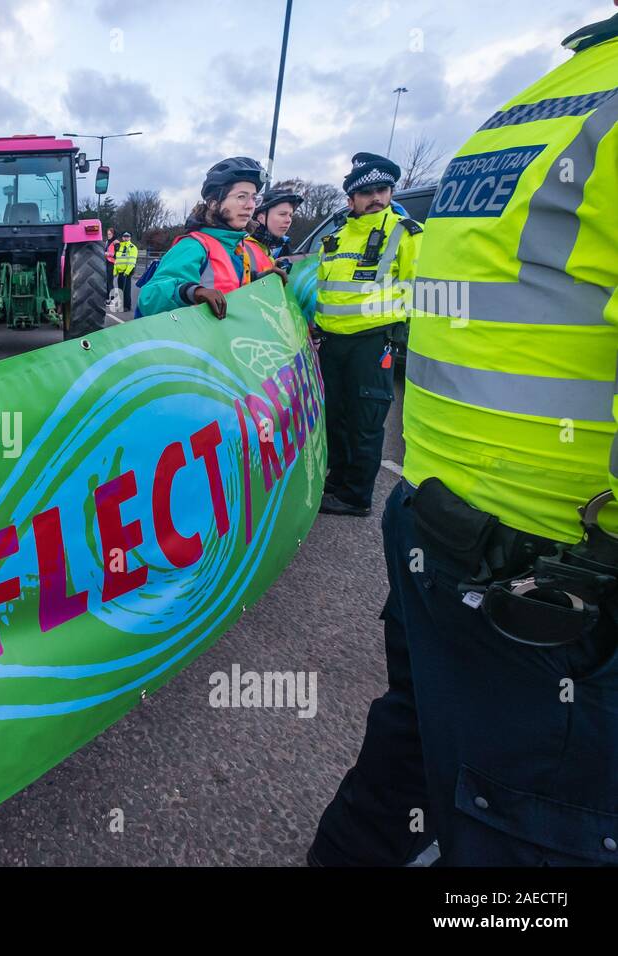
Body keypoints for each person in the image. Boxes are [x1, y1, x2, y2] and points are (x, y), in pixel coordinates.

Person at [310, 10, 618, 868]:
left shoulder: (536, 107)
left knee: (416, 750)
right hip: (560, 572)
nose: (365, 198)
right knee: (531, 833)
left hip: (443, 524)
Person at [314, 151, 423, 518]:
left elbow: (420, 289)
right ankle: (338, 482)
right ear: (351, 201)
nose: (376, 197)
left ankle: (356, 495)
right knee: (337, 418)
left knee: (365, 420)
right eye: (367, 192)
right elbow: (326, 291)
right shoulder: (336, 238)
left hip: (374, 342)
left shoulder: (406, 234)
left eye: (383, 189)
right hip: (333, 342)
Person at [137, 156, 277, 320]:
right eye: (241, 196)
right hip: (194, 342)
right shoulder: (194, 246)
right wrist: (193, 292)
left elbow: (227, 285)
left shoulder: (238, 248)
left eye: (254, 197)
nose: (250, 205)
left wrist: (259, 279)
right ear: (213, 203)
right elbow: (149, 298)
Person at [250, 189, 303, 263]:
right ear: (261, 218)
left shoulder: (284, 246)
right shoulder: (242, 247)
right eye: (282, 214)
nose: (288, 220)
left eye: (290, 215)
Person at [112, 231, 139, 314]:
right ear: (122, 237)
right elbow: (117, 260)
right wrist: (115, 271)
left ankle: (127, 306)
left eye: (128, 236)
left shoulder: (132, 247)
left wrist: (127, 272)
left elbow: (132, 261)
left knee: (126, 290)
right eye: (124, 236)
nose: (126, 238)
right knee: (120, 289)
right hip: (120, 272)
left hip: (126, 272)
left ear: (130, 238)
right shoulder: (120, 247)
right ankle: (121, 305)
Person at [104, 227, 117, 296]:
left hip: (112, 263)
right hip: (106, 262)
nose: (108, 236)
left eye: (110, 234)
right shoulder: (106, 242)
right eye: (107, 234)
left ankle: (111, 297)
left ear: (113, 234)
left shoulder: (115, 242)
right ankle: (107, 296)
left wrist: (108, 254)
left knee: (110, 281)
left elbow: (116, 253)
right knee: (106, 280)